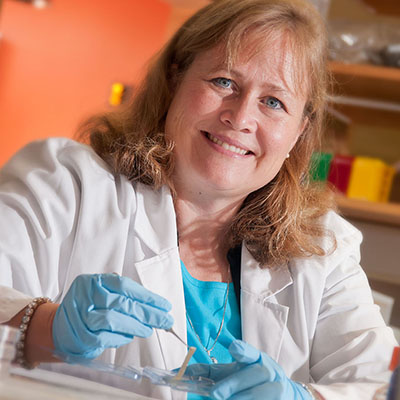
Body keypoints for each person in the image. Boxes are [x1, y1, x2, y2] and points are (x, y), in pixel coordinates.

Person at [0, 0, 397, 399]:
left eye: (273, 102)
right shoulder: (64, 184)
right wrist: (46, 328)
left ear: (299, 132)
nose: (240, 117)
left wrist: (299, 398)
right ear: (175, 80)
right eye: (224, 82)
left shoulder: (321, 248)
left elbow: (379, 385)